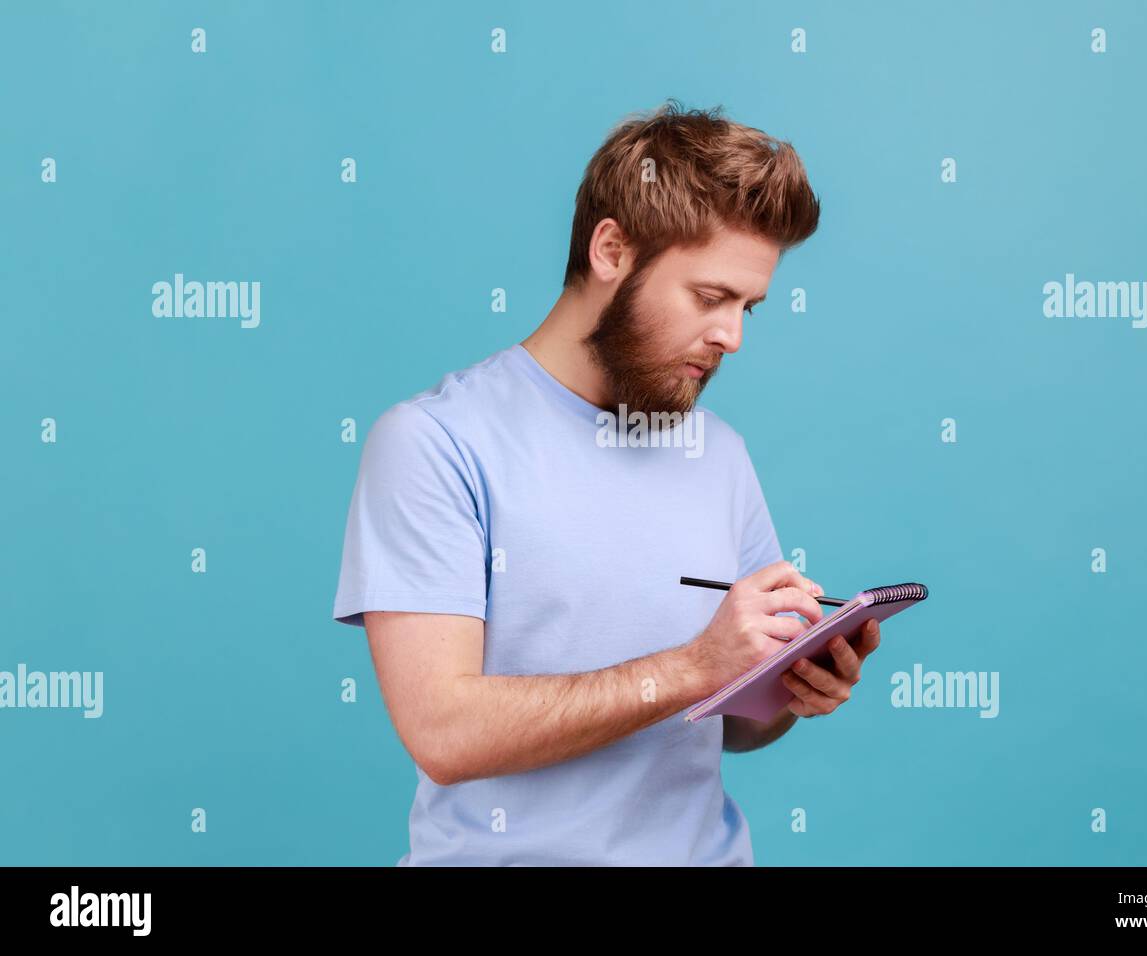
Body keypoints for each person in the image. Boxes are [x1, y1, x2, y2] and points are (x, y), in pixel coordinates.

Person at [332, 100, 883, 866]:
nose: (734, 336)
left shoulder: (717, 452)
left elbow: (732, 719)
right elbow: (444, 733)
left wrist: (791, 688)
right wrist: (694, 664)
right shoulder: (434, 443)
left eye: (749, 306)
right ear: (612, 250)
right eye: (712, 297)